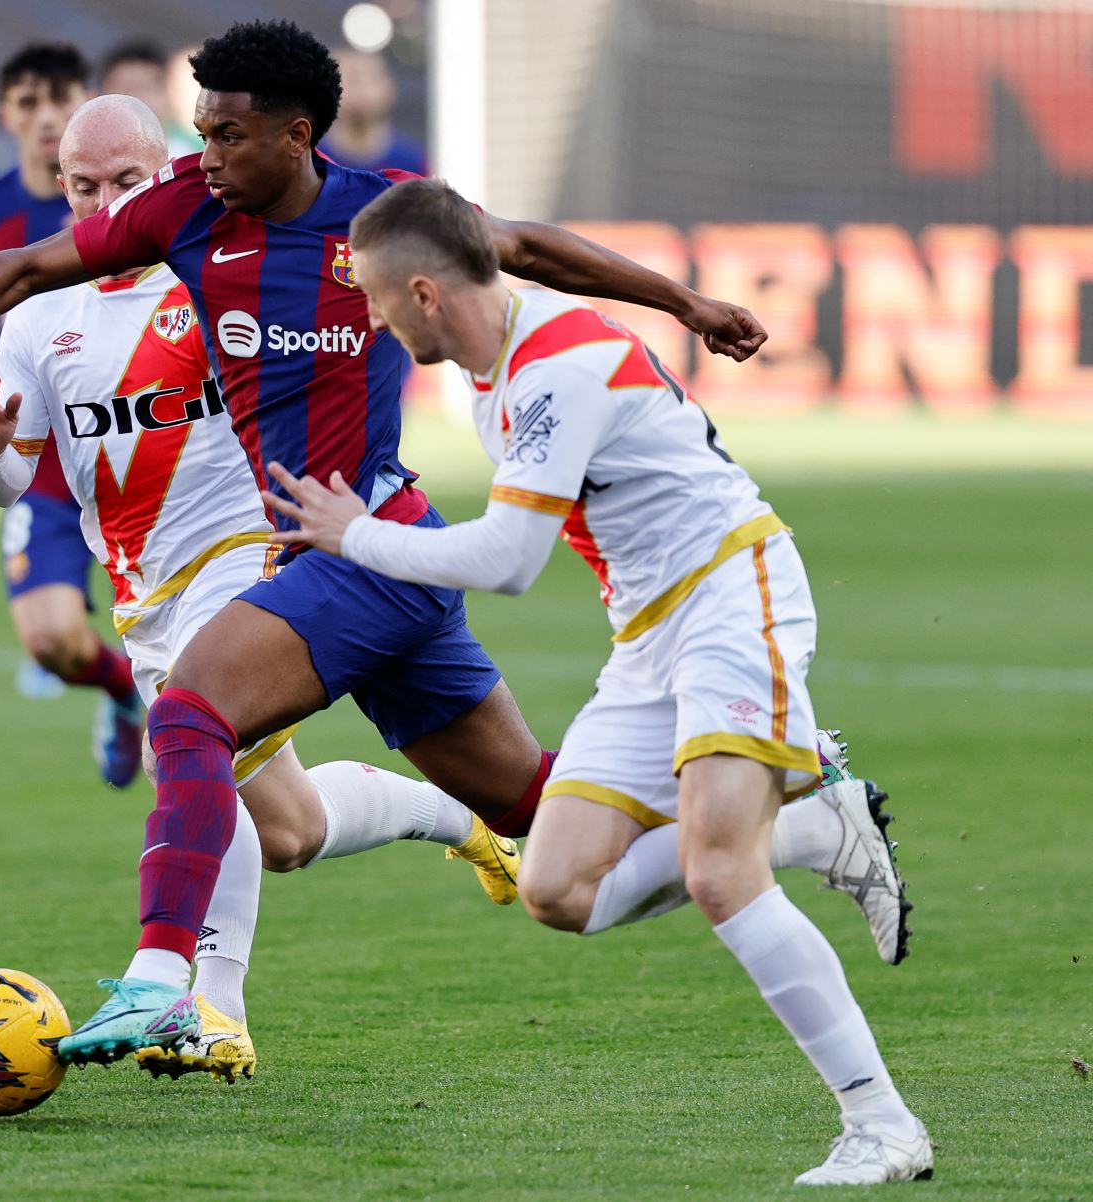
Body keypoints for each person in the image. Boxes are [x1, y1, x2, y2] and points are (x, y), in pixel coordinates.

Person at [0, 19, 769, 1066]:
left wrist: (683, 301)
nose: (207, 159)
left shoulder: (382, 214)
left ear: (297, 134)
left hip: (358, 546)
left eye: (227, 137)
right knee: (530, 804)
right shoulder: (186, 213)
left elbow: (531, 246)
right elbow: (23, 266)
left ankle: (167, 985)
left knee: (186, 716)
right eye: (201, 133)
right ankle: (803, 818)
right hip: (373, 560)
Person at [262, 177, 929, 1186]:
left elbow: (509, 560)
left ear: (429, 294)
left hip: (731, 598)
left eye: (376, 296)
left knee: (715, 870)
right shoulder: (492, 335)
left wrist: (355, 535)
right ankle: (816, 823)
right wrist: (684, 302)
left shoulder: (555, 366)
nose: (371, 315)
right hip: (650, 633)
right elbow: (518, 239)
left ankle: (881, 1122)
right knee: (557, 886)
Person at [0, 94, 523, 1082]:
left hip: (254, 558)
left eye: (123, 183)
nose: (100, 206)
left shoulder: (218, 270)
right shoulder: (40, 315)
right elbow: (20, 477)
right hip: (145, 592)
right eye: (80, 187)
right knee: (291, 830)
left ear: (166, 172)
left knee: (194, 741)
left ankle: (208, 1005)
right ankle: (465, 817)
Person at [0, 43, 144, 788]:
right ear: (6, 115)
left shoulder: (139, 203)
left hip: (142, 452)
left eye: (61, 98)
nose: (47, 115)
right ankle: (125, 696)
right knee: (51, 640)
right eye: (28, 102)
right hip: (46, 461)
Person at [318, 49, 427, 175]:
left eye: (371, 78)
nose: (361, 90)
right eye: (352, 79)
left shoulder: (414, 163)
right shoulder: (307, 161)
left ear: (389, 88)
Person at [98, 41, 202, 158]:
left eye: (147, 88)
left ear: (169, 95)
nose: (138, 100)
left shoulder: (199, 158)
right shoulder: (88, 158)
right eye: (128, 89)